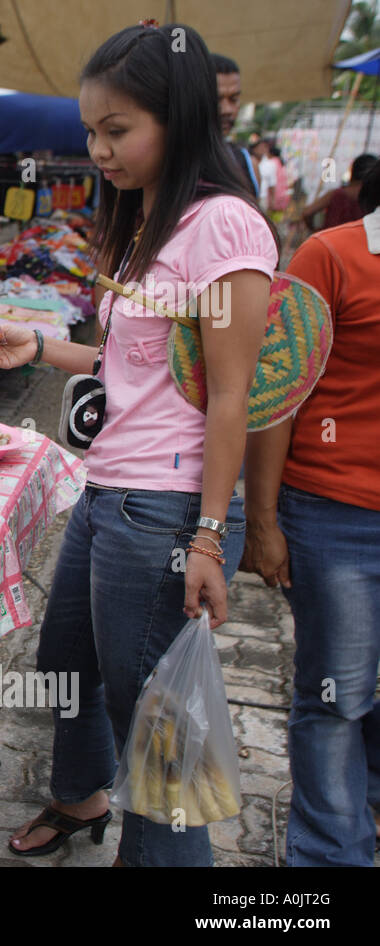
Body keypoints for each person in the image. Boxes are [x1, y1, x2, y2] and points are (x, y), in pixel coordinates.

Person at [0, 22, 276, 866]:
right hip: (110, 489)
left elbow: (231, 396)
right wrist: (37, 345)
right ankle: (80, 797)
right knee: (67, 658)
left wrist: (212, 534)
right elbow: (127, 360)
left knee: (159, 733)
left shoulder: (223, 227)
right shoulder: (149, 220)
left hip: (167, 510)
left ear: (175, 120)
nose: (98, 150)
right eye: (90, 131)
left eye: (117, 131)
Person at [242, 161, 380, 866]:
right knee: (335, 695)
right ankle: (330, 857)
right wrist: (261, 522)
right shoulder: (329, 256)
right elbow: (274, 392)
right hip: (337, 517)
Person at [212, 54, 258, 195]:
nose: (227, 110)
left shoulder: (247, 163)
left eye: (234, 99)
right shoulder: (172, 163)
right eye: (217, 99)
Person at [298, 153, 377, 231]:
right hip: (361, 242)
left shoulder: (337, 194)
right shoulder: (373, 198)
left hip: (331, 240)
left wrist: (316, 231)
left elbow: (307, 213)